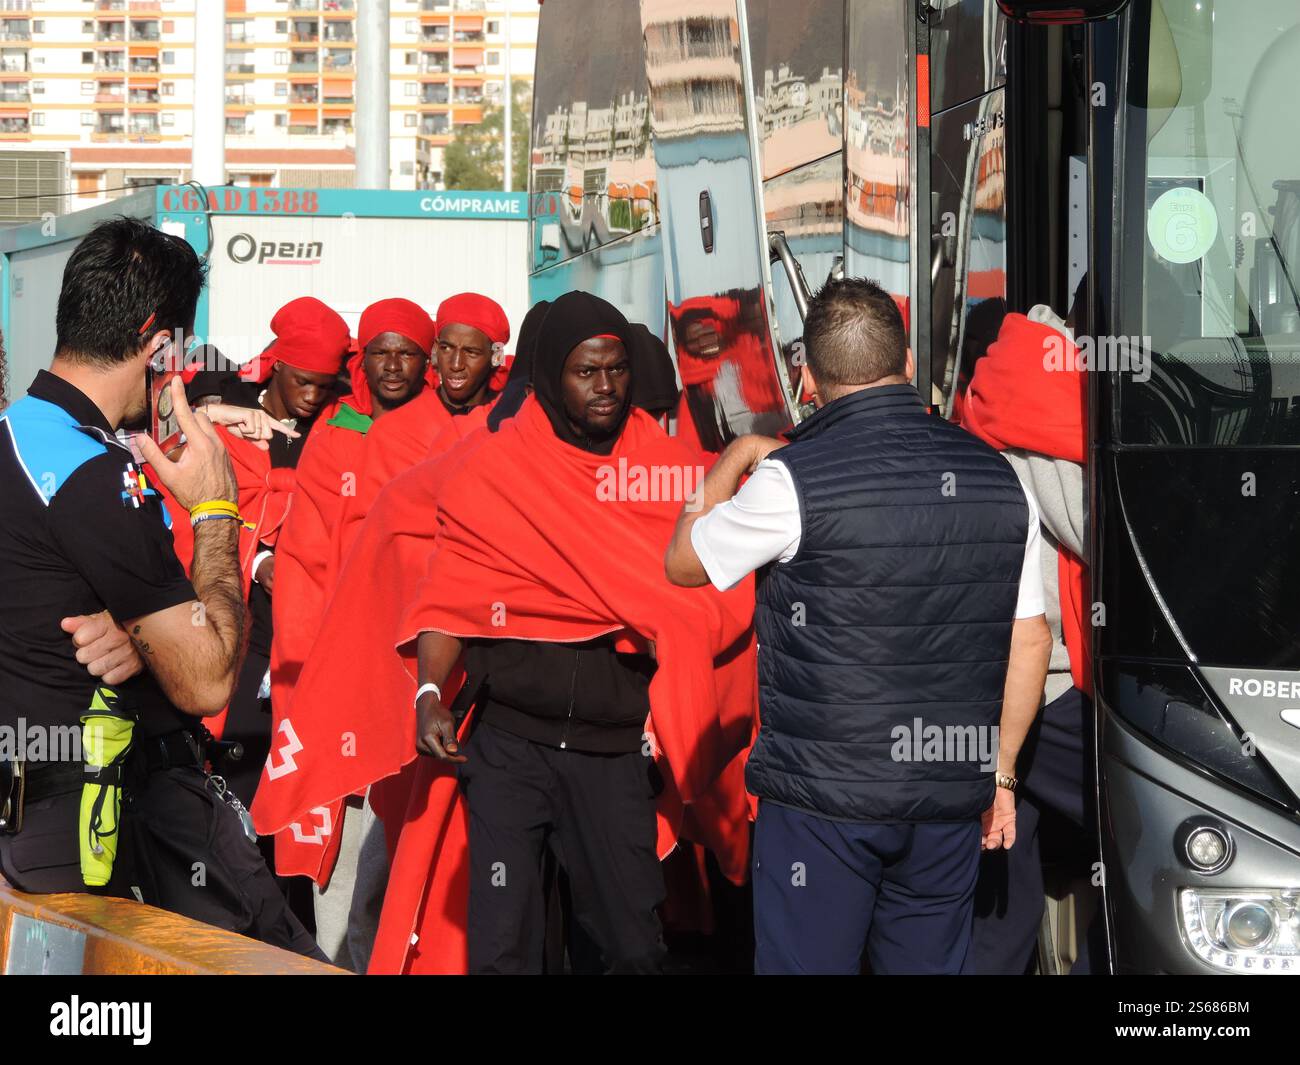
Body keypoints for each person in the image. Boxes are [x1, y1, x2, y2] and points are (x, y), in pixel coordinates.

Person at [255, 292, 758, 974]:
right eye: (587, 371)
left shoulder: (666, 473)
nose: (606, 386)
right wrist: (427, 693)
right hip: (508, 748)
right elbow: (448, 595)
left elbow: (713, 589)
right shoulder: (495, 469)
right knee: (502, 948)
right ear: (551, 376)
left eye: (616, 370)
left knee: (633, 947)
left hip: (612, 753)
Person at [664, 276, 1053, 975]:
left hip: (823, 803)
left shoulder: (790, 479)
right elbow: (1030, 639)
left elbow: (683, 561)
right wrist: (999, 777)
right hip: (947, 796)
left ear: (807, 379)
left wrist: (734, 458)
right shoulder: (998, 476)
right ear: (908, 363)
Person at [0, 216, 322, 958]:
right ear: (158, 345)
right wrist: (216, 510)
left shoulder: (23, 436)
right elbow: (206, 677)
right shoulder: (90, 471)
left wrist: (140, 634)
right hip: (111, 836)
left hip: (45, 831)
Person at [961, 291, 1102, 974]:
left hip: (997, 671)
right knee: (1159, 829)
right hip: (1047, 681)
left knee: (1004, 903)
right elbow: (1095, 530)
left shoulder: (1016, 369)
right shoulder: (1054, 391)